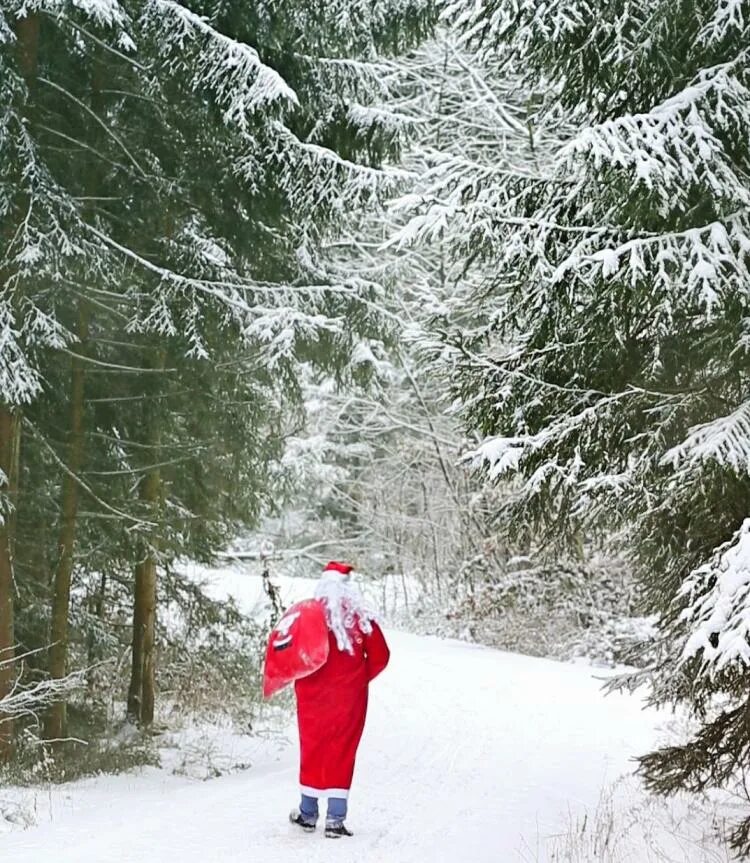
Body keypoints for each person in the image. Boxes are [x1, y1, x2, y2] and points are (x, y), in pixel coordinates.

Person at [289, 560, 390, 838]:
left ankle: (308, 813)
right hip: (349, 699)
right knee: (342, 750)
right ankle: (335, 818)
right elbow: (381, 656)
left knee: (312, 749)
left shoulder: (306, 616)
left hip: (311, 697)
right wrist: (357, 680)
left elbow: (291, 655)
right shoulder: (361, 618)